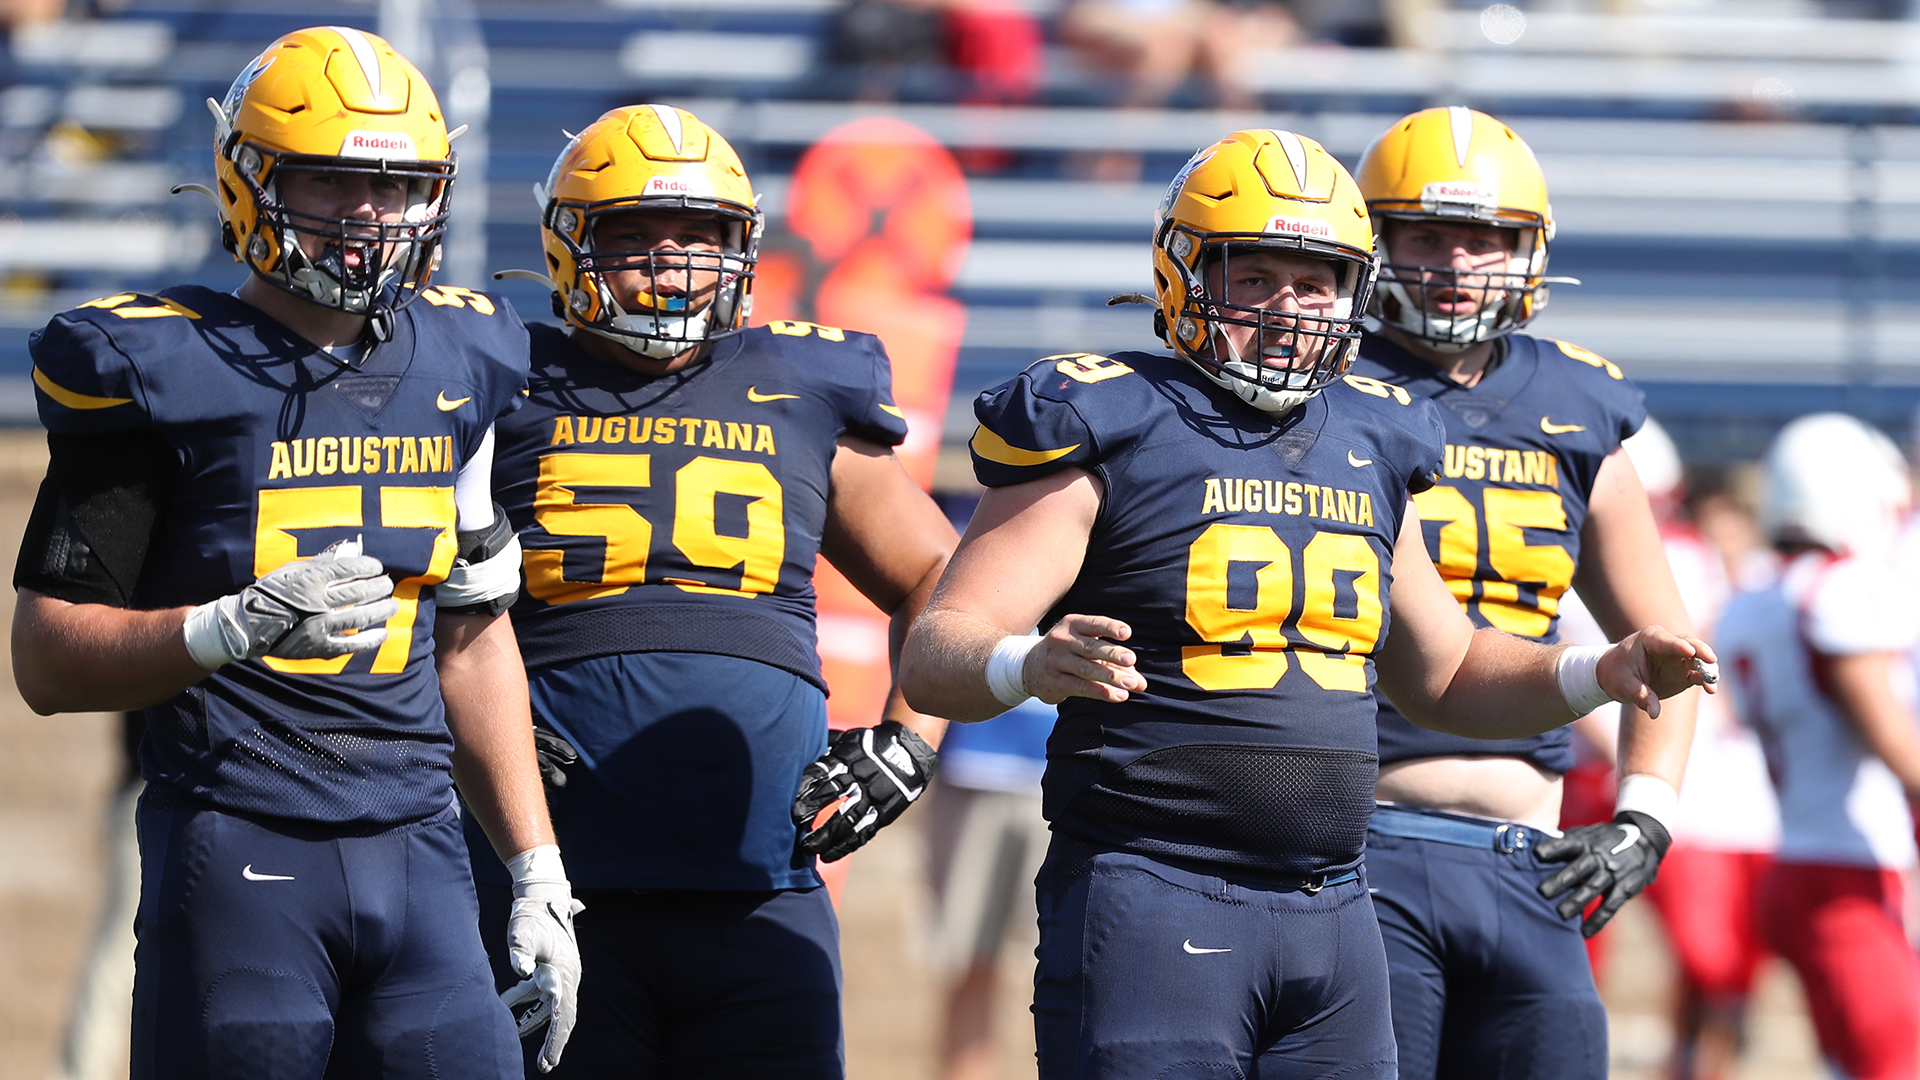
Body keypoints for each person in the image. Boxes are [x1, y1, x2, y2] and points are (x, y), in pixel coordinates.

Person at [898, 127, 1716, 1079]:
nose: (1290, 311)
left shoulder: (1375, 434)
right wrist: (1022, 662)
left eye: (1317, 281)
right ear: (1186, 273)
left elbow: (1447, 673)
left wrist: (1594, 673)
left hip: (1334, 913)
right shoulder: (1105, 415)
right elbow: (936, 650)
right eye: (1256, 280)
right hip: (1158, 887)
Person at [8, 27, 582, 1078]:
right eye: (332, 183)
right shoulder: (158, 364)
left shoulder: (465, 354)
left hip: (422, 856)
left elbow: (471, 632)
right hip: (240, 843)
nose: (370, 215)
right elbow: (47, 662)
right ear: (249, 180)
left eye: (396, 185)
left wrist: (537, 868)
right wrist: (232, 628)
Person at [468, 103, 957, 1078]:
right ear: (573, 248)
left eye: (698, 237)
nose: (670, 262)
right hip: (557, 886)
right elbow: (424, 605)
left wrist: (909, 737)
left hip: (762, 890)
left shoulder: (800, 382)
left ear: (744, 248)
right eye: (635, 236)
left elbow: (943, 576)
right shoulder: (500, 378)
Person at [1346, 106, 1702, 1080]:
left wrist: (1645, 815)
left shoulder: (1580, 408)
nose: (1457, 262)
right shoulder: (1320, 388)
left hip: (1527, 859)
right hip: (1351, 840)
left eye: (1485, 237)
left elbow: (1669, 648)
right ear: (1374, 244)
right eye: (1424, 234)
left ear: (1529, 250)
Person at [1719, 413, 1920, 1080]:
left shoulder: (1754, 596)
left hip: (1802, 859)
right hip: (1849, 870)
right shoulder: (1843, 587)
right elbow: (1884, 725)